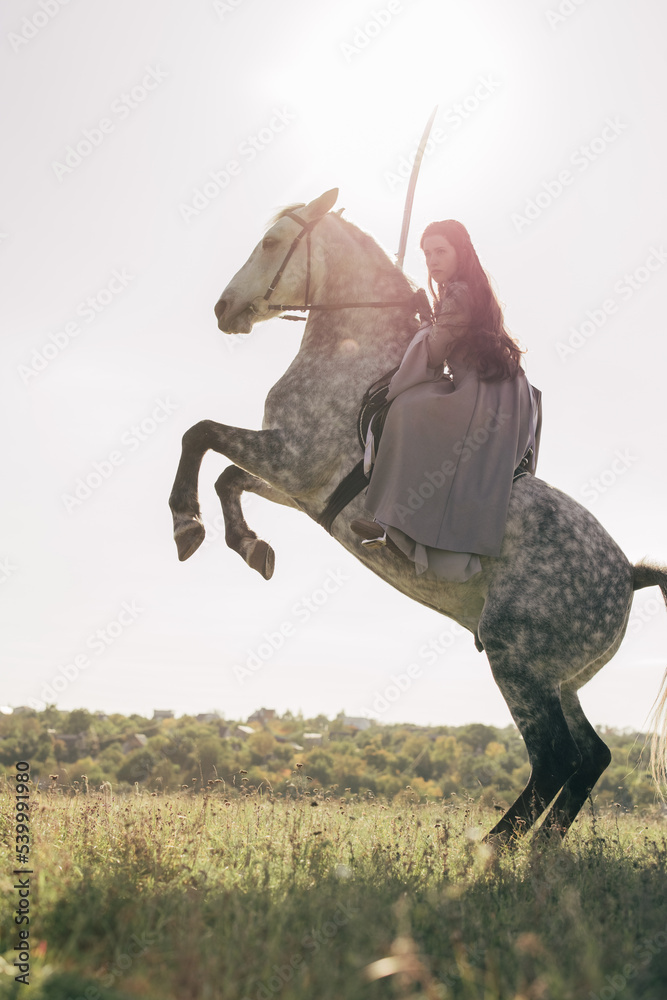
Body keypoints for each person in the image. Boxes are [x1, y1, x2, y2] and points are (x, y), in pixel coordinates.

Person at [351, 220, 542, 583]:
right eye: (427, 254)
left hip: (487, 394)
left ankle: (396, 524)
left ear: (460, 252)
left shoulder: (459, 294)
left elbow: (435, 352)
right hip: (500, 388)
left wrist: (424, 327)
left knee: (407, 410)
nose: (433, 260)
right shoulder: (463, 290)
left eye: (441, 251)